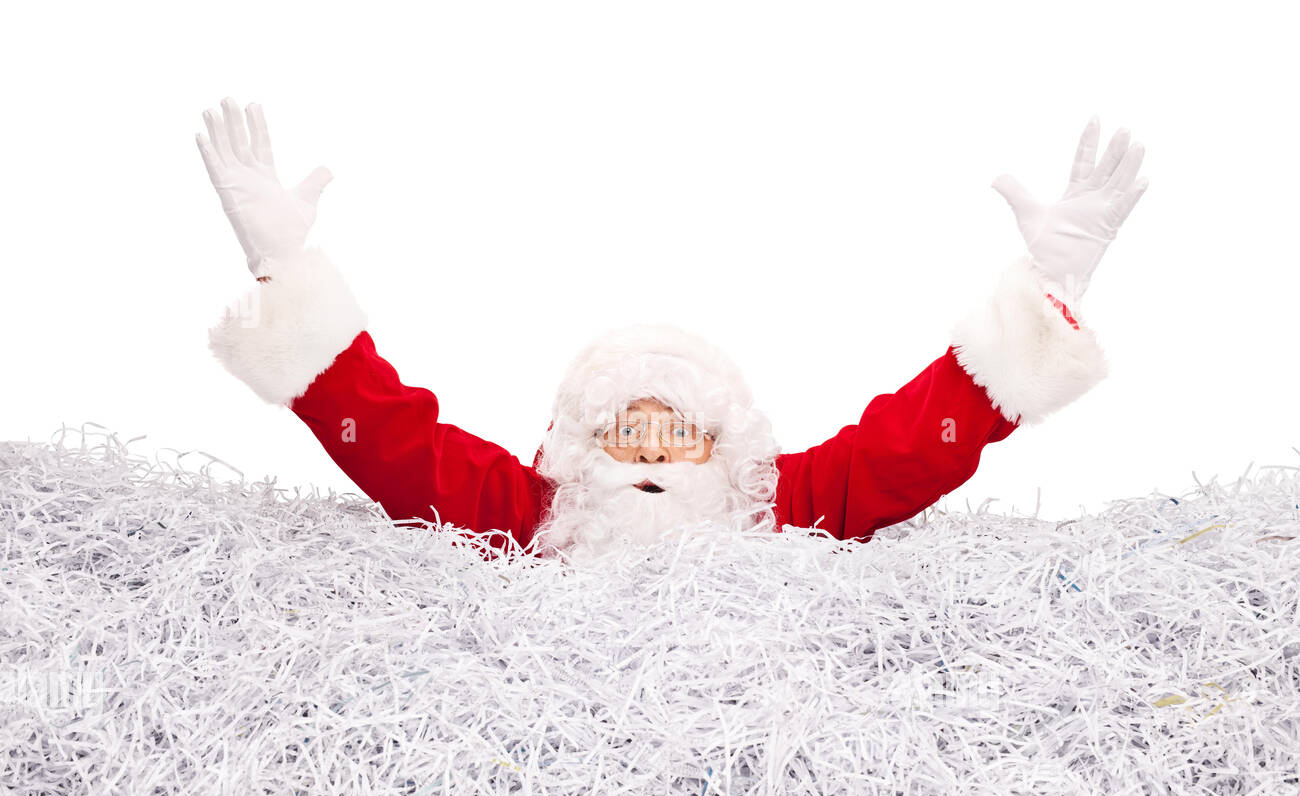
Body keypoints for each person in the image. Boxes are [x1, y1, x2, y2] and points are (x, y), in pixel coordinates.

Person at [198, 98, 1146, 563]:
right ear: (577, 449)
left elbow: (910, 447)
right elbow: (400, 449)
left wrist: (1047, 287)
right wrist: (284, 274)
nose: (648, 456)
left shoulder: (781, 511)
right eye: (624, 433)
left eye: (675, 432)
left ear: (724, 447)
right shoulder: (528, 519)